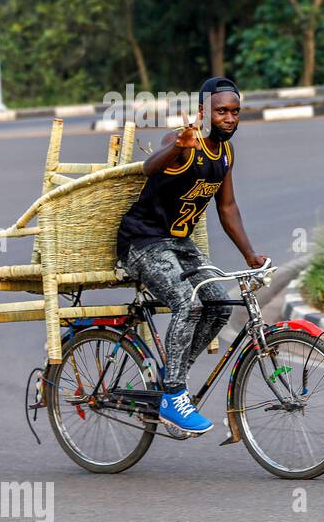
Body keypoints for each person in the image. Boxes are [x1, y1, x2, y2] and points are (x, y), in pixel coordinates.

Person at [115, 77, 268, 437]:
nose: (229, 118)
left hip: (180, 245)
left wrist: (249, 255)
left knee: (219, 304)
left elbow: (227, 208)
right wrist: (176, 147)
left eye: (235, 112)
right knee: (190, 304)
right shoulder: (182, 141)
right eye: (222, 111)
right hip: (143, 243)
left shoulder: (225, 155)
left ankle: (174, 378)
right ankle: (173, 394)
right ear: (203, 113)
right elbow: (150, 168)